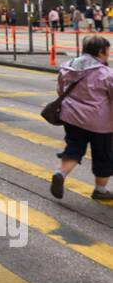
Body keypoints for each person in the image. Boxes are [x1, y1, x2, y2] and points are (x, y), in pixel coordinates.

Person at [50, 34, 113, 204]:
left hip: (71, 117)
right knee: (104, 155)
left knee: (74, 148)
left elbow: (60, 90)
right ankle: (100, 190)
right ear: (101, 51)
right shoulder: (106, 73)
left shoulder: (68, 66)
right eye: (108, 50)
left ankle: (60, 173)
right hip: (100, 123)